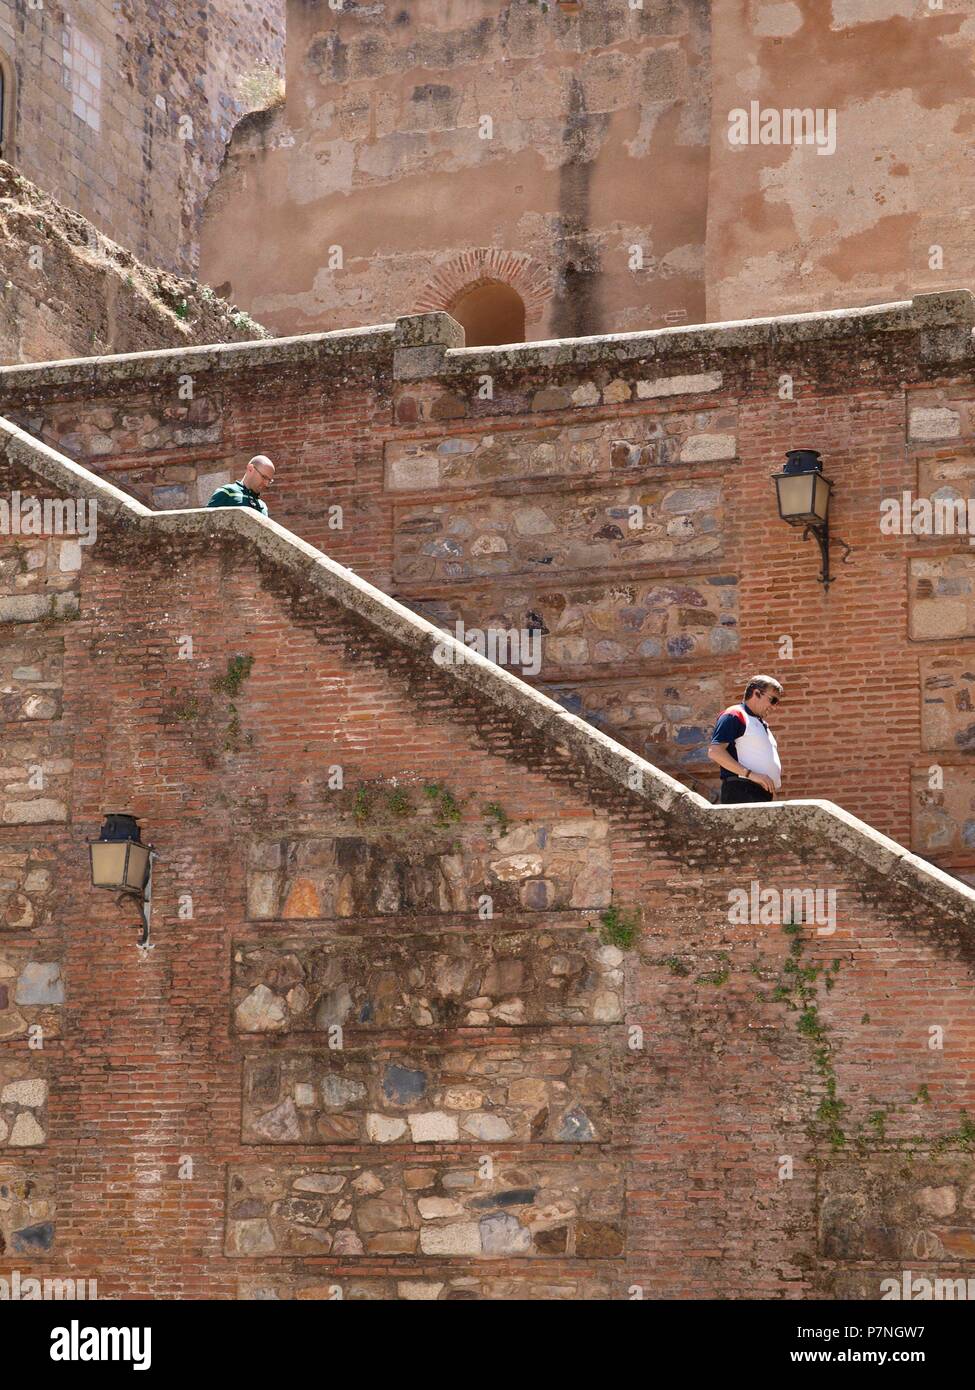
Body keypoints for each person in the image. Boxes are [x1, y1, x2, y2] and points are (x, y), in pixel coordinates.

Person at [707, 675, 784, 804]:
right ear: (757, 693)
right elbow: (715, 752)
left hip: (760, 793)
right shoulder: (734, 714)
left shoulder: (760, 723)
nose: (774, 706)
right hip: (741, 790)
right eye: (772, 700)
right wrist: (751, 775)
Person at [205, 455, 275, 515]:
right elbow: (206, 523)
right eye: (264, 477)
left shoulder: (263, 506)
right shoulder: (227, 492)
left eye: (269, 480)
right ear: (250, 469)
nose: (266, 484)